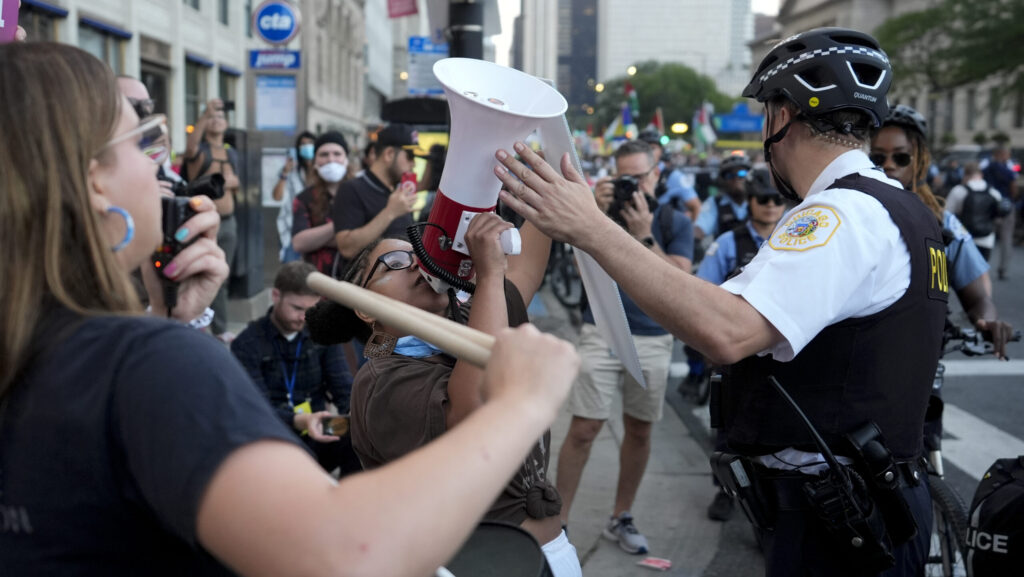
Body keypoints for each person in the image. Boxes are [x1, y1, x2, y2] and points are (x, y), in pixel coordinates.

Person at [0, 41, 582, 577]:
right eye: (143, 141)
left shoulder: (52, 345)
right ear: (94, 182)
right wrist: (523, 401)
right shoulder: (143, 361)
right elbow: (340, 552)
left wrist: (174, 320)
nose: (163, 168)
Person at [496, 28, 950, 576]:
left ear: (781, 116)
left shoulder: (841, 213)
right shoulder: (898, 206)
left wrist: (591, 228)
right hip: (863, 505)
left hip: (841, 520)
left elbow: (728, 331)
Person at [321, 208, 582, 575]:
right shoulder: (379, 381)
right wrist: (489, 276)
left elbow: (523, 273)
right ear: (365, 310)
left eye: (418, 254)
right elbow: (479, 412)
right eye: (393, 263)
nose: (416, 263)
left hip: (553, 555)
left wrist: (552, 191)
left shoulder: (474, 314)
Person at [555, 140, 693, 555]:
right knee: (584, 427)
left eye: (638, 177)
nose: (631, 187)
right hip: (601, 329)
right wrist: (594, 215)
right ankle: (557, 524)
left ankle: (622, 515)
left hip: (652, 335)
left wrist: (645, 234)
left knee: (640, 428)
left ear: (657, 174)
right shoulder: (600, 216)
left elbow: (682, 284)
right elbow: (576, 266)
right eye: (622, 179)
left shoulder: (672, 220)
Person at [871, 105, 1014, 357]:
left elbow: (978, 298)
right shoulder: (847, 215)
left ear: (919, 160)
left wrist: (988, 321)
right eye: (877, 158)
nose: (889, 165)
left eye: (901, 157)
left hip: (920, 363)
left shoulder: (942, 222)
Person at [696, 169, 787, 522]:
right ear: (749, 202)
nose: (770, 206)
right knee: (730, 432)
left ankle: (771, 499)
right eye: (763, 199)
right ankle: (726, 492)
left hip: (781, 353)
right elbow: (703, 293)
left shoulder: (797, 237)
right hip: (737, 355)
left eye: (777, 199)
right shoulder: (728, 242)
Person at [231, 261, 361, 477]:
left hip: (318, 428)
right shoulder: (247, 344)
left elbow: (343, 387)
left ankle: (350, 494)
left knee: (359, 432)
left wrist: (353, 413)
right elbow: (256, 409)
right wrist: (298, 420)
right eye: (297, 308)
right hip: (272, 436)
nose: (304, 318)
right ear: (275, 296)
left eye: (311, 310)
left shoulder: (322, 335)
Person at [183, 97, 241, 342]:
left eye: (220, 116)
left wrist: (230, 183)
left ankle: (219, 327)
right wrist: (205, 113)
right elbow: (190, 149)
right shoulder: (200, 151)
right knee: (201, 273)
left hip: (228, 221)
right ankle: (198, 324)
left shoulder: (231, 153)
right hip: (203, 222)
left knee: (222, 275)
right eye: (212, 117)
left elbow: (237, 183)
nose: (216, 120)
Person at [332, 123, 420, 275]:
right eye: (410, 156)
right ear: (389, 154)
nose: (413, 163)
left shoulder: (397, 190)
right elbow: (347, 248)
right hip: (368, 286)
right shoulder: (352, 189)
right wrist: (390, 213)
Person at [291, 131, 350, 277]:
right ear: (315, 161)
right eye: (324, 154)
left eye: (337, 154)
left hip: (357, 279)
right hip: (318, 281)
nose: (331, 160)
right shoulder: (304, 198)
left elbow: (369, 238)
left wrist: (318, 239)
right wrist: (341, 225)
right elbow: (299, 243)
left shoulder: (361, 194)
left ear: (346, 159)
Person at [945, 162, 1005, 260]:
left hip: (963, 238)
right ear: (981, 174)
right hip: (986, 239)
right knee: (982, 266)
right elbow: (999, 216)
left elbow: (947, 213)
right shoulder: (994, 192)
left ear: (965, 175)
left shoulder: (958, 190)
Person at [274, 131, 317, 263]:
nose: (307, 147)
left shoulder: (322, 171)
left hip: (316, 230)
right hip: (292, 231)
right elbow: (277, 197)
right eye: (303, 144)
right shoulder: (291, 171)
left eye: (310, 143)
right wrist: (285, 173)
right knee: (291, 270)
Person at [693, 154, 751, 243]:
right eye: (730, 175)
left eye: (742, 174)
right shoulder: (715, 202)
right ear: (722, 180)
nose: (736, 179)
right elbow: (700, 228)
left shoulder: (760, 200)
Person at [982, 146, 1019, 279]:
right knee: (1006, 239)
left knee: (984, 238)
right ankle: (1003, 269)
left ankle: (981, 269)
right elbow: (1013, 187)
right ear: (1003, 154)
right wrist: (1012, 199)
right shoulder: (1008, 170)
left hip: (988, 206)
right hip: (1006, 206)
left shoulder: (986, 169)